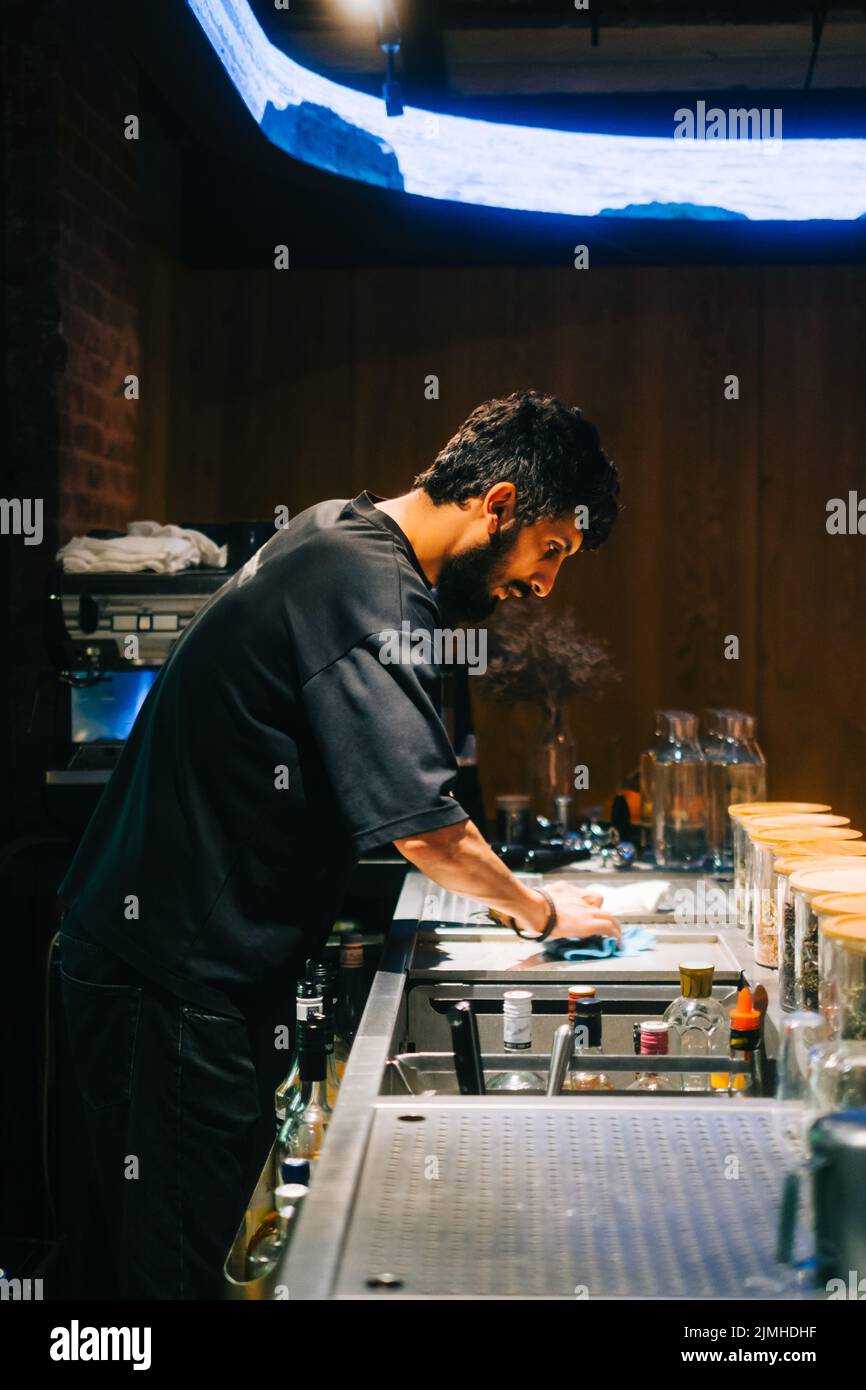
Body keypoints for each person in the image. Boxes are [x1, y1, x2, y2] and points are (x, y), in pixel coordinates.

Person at [57, 390, 622, 1298]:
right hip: (169, 982)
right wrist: (541, 911)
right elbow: (427, 827)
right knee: (168, 1275)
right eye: (551, 550)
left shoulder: (333, 530)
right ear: (500, 505)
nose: (545, 584)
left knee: (126, 1265)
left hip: (146, 961)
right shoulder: (374, 589)